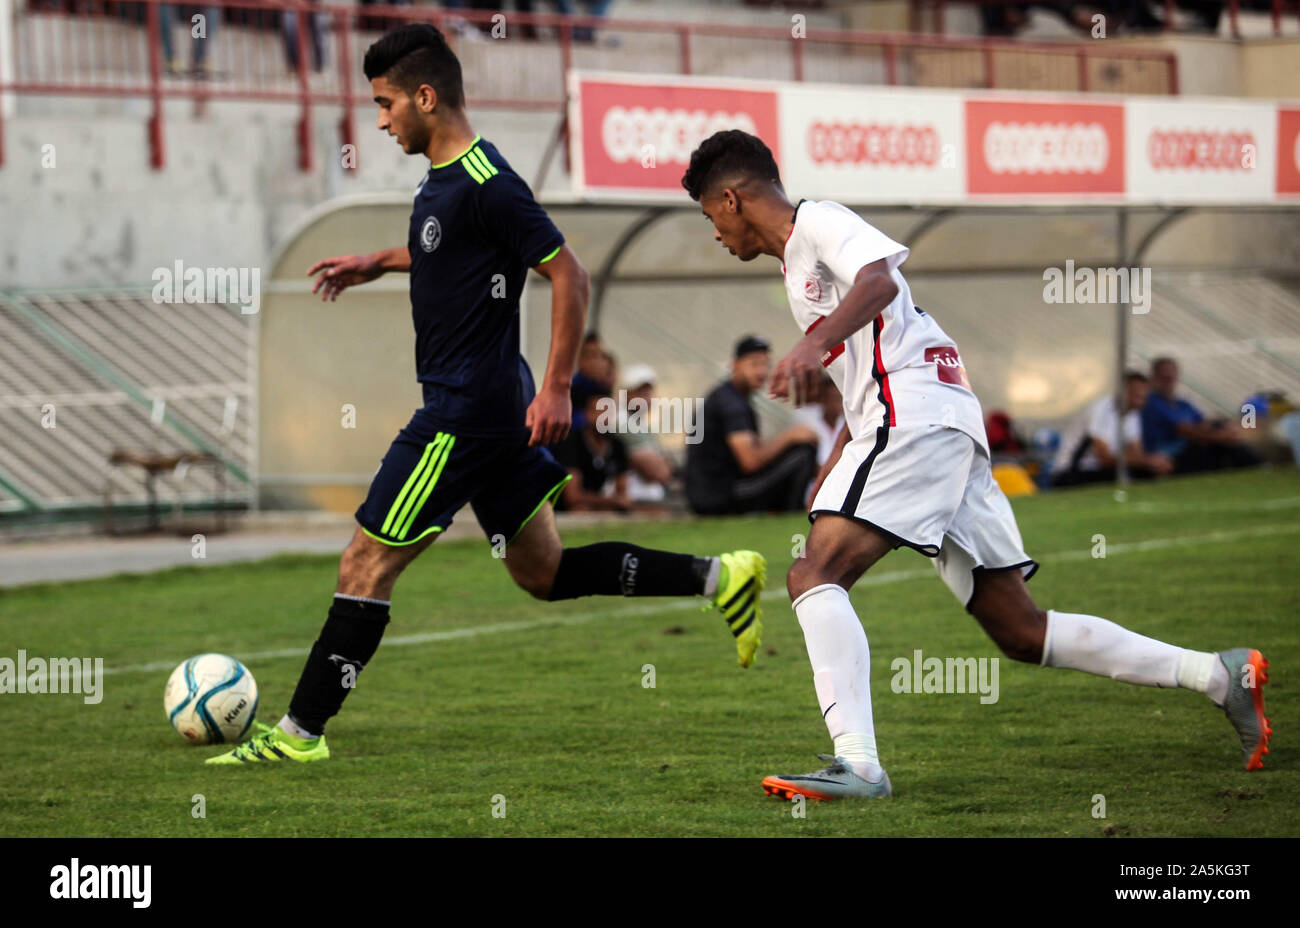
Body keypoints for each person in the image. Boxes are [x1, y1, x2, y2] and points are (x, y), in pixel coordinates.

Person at [206, 26, 767, 766]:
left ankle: (298, 735)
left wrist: (561, 384)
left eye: (385, 104)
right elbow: (456, 250)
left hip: (462, 414)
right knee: (544, 573)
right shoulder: (449, 181)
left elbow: (569, 272)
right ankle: (719, 576)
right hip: (494, 409)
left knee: (364, 564)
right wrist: (381, 259)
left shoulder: (487, 180)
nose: (380, 121)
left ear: (426, 97)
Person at [682, 129, 1271, 799]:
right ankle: (1220, 675)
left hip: (917, 418)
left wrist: (811, 346)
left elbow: (879, 279)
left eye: (708, 217)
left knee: (814, 572)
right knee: (1020, 630)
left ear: (731, 199)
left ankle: (860, 765)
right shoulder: (798, 267)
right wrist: (839, 456)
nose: (715, 234)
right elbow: (866, 367)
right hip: (935, 420)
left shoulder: (817, 220)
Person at [685, 335, 820, 515]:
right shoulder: (730, 403)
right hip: (719, 495)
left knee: (797, 453)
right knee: (802, 454)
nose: (762, 372)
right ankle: (791, 517)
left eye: (765, 365)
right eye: (754, 364)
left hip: (712, 492)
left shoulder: (733, 397)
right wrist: (790, 436)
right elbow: (750, 461)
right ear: (735, 364)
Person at [1052, 371, 1173, 486]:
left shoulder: (1133, 415)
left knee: (1148, 471)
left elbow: (1136, 452)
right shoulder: (1100, 409)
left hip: (1102, 470)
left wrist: (1155, 462)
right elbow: (1104, 458)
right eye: (1136, 395)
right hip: (1074, 470)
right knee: (1122, 474)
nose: (1140, 401)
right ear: (1122, 391)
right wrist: (1147, 461)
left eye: (1143, 397)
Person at [1142, 357, 1261, 474]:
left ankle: (1254, 465)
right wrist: (1219, 437)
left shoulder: (1182, 404)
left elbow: (1203, 422)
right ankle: (1256, 467)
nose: (1168, 381)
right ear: (1154, 377)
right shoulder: (1152, 403)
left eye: (1171, 377)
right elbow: (1183, 430)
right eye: (1164, 377)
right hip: (1170, 455)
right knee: (1217, 445)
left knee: (1220, 427)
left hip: (1189, 448)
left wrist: (1224, 430)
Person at [552, 388, 632, 512]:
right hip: (564, 510)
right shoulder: (572, 443)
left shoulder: (617, 444)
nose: (604, 418)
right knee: (580, 510)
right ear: (586, 414)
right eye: (599, 411)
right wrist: (613, 501)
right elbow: (572, 497)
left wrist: (616, 502)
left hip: (597, 507)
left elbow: (623, 493)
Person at [618, 364, 675, 502]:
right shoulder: (621, 421)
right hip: (634, 496)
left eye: (648, 393)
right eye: (640, 393)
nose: (646, 398)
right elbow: (657, 472)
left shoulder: (640, 423)